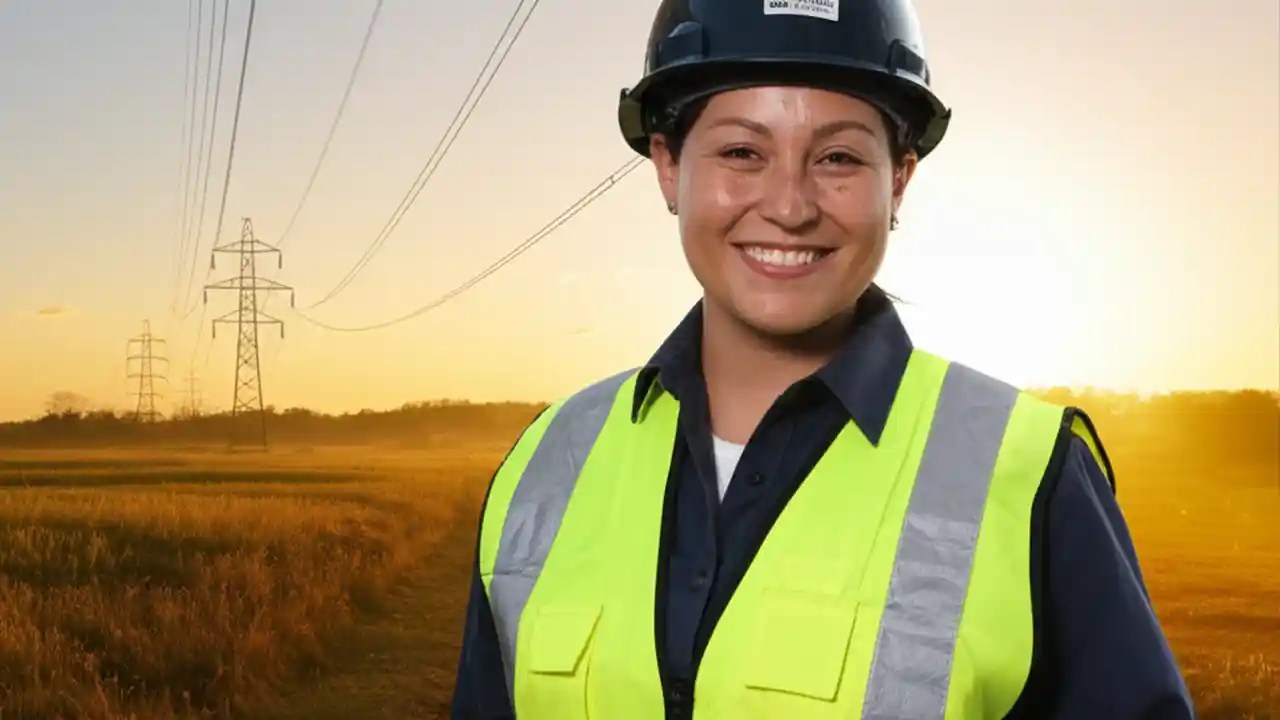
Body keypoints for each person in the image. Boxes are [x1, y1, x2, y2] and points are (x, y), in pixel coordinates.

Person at [451, 0, 1194, 717]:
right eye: (743, 152)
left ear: (898, 180)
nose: (791, 204)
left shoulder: (1033, 478)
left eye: (837, 157)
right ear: (668, 167)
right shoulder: (546, 464)